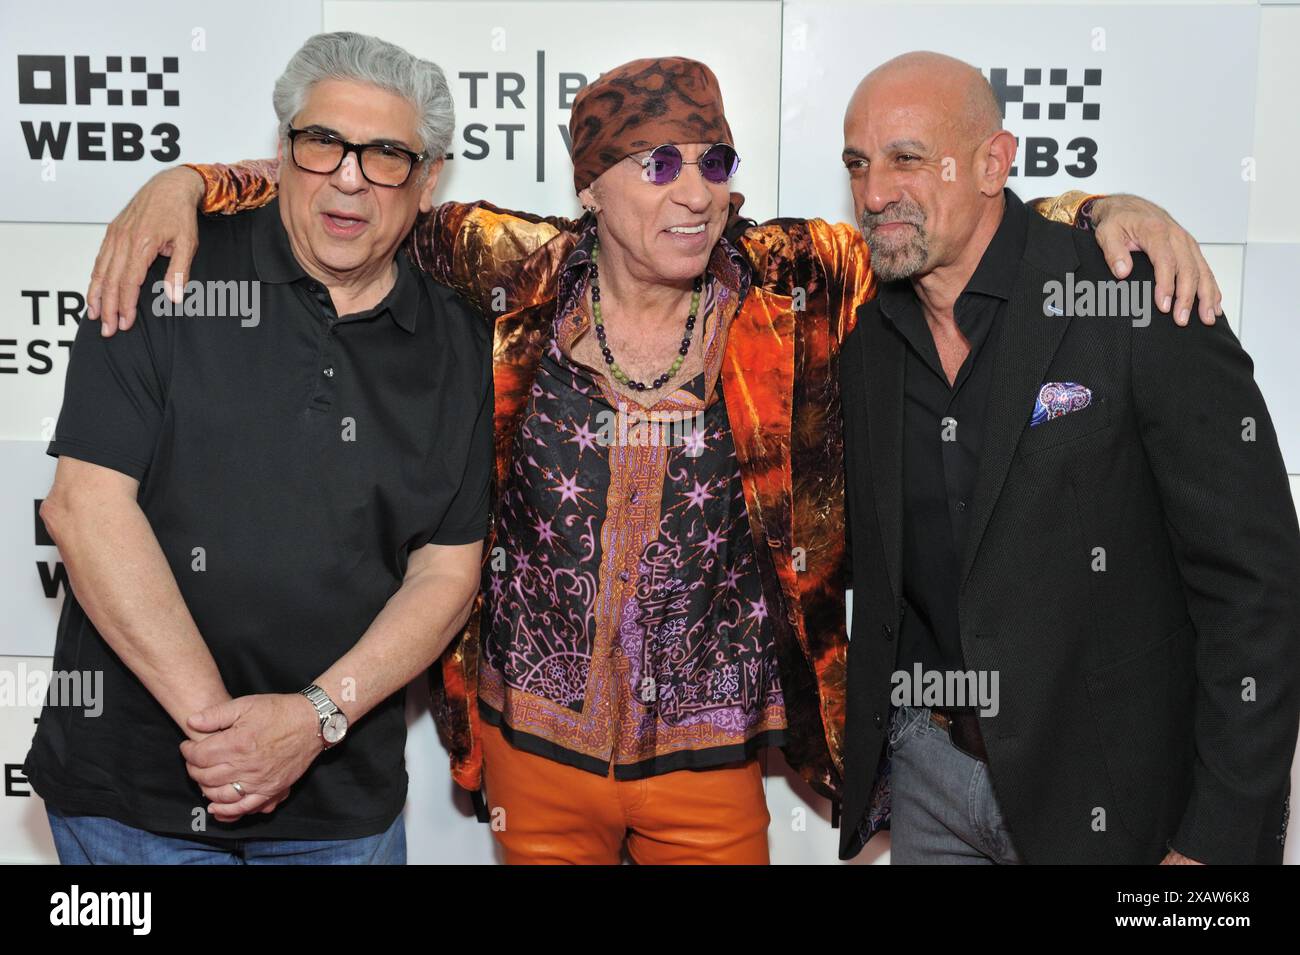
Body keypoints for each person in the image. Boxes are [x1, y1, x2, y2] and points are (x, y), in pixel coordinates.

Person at [80, 53, 1221, 864]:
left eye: (714, 161)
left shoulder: (795, 278)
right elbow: (353, 181)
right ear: (590, 186)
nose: (696, 189)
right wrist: (184, 183)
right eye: (659, 163)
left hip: (713, 759)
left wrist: (1110, 206)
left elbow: (952, 218)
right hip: (531, 748)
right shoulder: (507, 265)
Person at [25, 32, 491, 864]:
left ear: (427, 182)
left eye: (387, 154)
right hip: (128, 800)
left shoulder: (461, 340)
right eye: (324, 144)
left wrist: (311, 720)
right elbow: (84, 508)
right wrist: (232, 740)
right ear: (281, 153)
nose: (349, 176)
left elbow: (447, 574)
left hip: (342, 809)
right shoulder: (165, 269)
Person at [838, 51, 1300, 864]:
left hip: (1113, 800)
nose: (875, 194)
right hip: (929, 785)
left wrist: (1218, 839)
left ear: (993, 161)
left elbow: (1256, 585)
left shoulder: (1135, 295)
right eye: (858, 164)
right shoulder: (867, 340)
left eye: (907, 158)